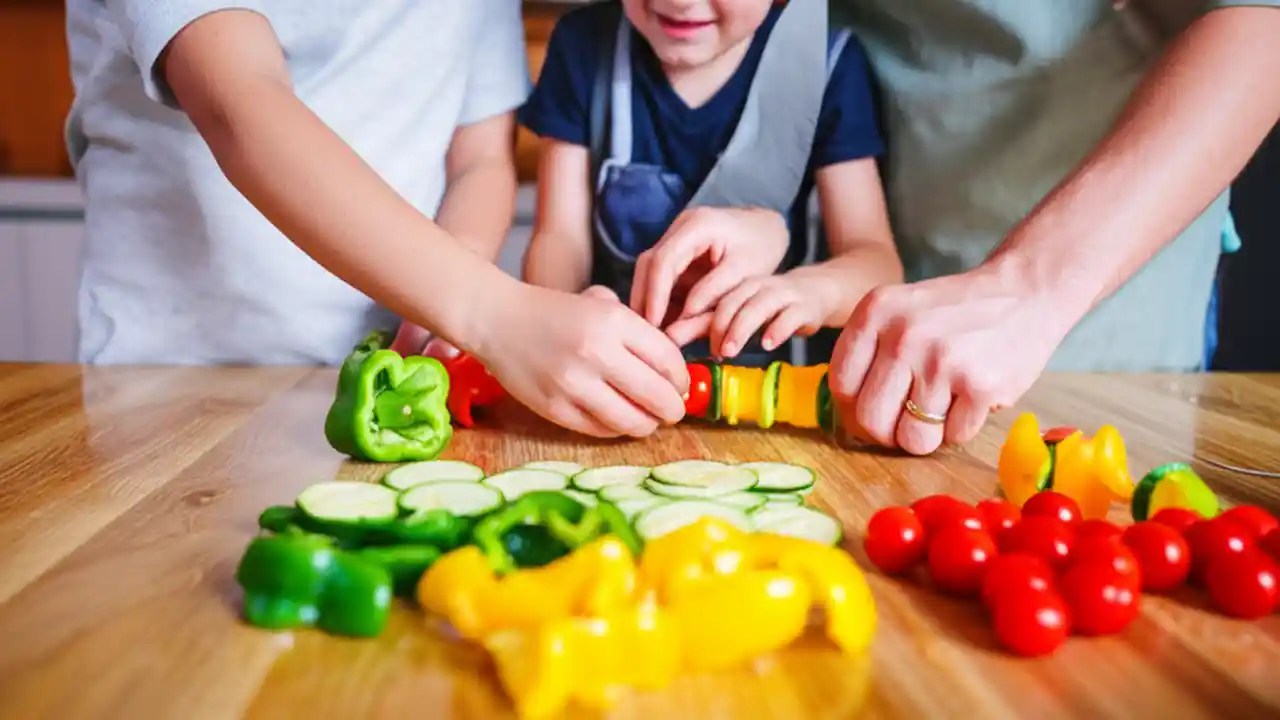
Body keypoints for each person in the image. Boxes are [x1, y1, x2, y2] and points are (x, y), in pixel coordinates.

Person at [629, 0, 1280, 452]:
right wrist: (765, 216)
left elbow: (1260, 23)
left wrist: (1030, 284)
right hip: (880, 316)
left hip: (1102, 284)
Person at [65, 0, 689, 438]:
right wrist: (493, 313)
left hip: (388, 375)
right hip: (168, 372)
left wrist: (446, 305)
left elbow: (480, 159)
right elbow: (238, 104)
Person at [519, 0, 902, 367]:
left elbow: (875, 262)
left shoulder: (824, 64)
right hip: (612, 369)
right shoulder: (583, 46)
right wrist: (566, 312)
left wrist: (812, 291)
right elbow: (559, 237)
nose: (681, 1)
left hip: (756, 390)